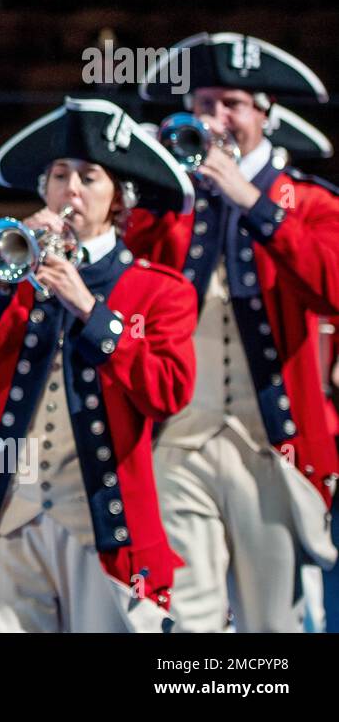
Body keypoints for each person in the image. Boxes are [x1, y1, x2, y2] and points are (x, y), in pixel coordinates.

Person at [0, 97, 198, 632]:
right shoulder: (6, 278)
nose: (71, 190)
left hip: (106, 530)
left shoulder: (158, 289)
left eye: (89, 177)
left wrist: (90, 309)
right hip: (6, 520)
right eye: (60, 175)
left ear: (119, 200)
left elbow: (168, 393)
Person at [129, 32, 339, 632]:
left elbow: (331, 286)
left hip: (273, 445)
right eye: (204, 104)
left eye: (233, 104)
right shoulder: (169, 203)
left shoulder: (311, 201)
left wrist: (249, 198)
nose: (216, 119)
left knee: (273, 626)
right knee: (186, 619)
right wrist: (143, 183)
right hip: (178, 439)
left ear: (265, 114)